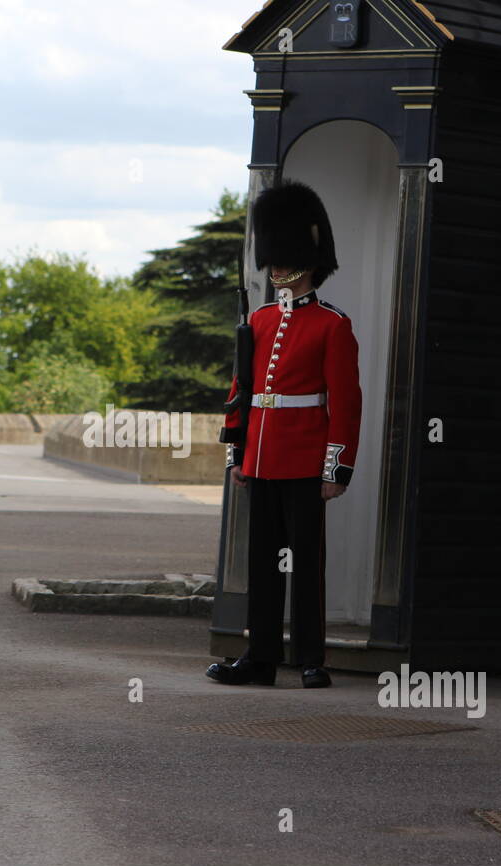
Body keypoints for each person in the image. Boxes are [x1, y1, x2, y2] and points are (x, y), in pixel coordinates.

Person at [207, 180, 362, 689]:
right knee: (263, 566)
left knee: (307, 566)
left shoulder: (332, 325)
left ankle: (313, 658)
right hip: (263, 457)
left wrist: (335, 468)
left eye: (282, 259)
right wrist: (237, 455)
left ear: (307, 262)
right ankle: (262, 658)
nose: (274, 270)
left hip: (304, 459)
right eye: (272, 259)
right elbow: (243, 391)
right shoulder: (260, 318)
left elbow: (345, 402)